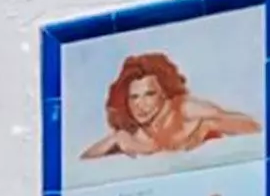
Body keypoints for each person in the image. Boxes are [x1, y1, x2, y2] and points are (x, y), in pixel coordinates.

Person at [82, 51, 260, 159]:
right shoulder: (132, 135)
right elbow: (82, 164)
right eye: (133, 97)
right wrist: (115, 139)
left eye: (149, 94)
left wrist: (210, 126)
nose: (140, 105)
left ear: (164, 93)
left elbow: (252, 126)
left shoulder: (185, 109)